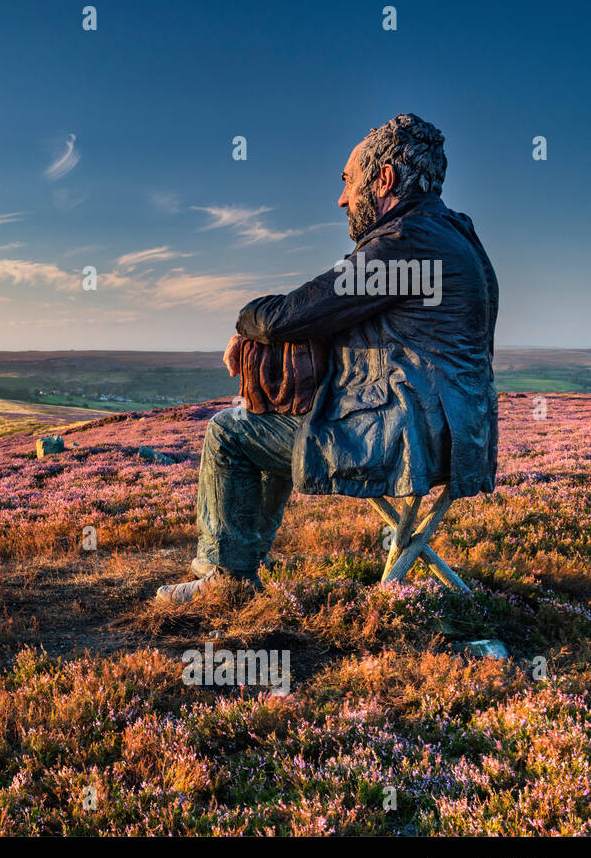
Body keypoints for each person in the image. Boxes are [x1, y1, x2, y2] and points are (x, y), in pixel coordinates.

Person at [156, 113, 499, 604]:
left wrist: (245, 324)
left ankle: (226, 579)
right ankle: (239, 564)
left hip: (408, 443)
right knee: (273, 420)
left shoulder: (405, 245)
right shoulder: (458, 238)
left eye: (348, 181)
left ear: (384, 178)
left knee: (230, 432)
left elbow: (292, 314)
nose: (342, 198)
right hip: (464, 442)